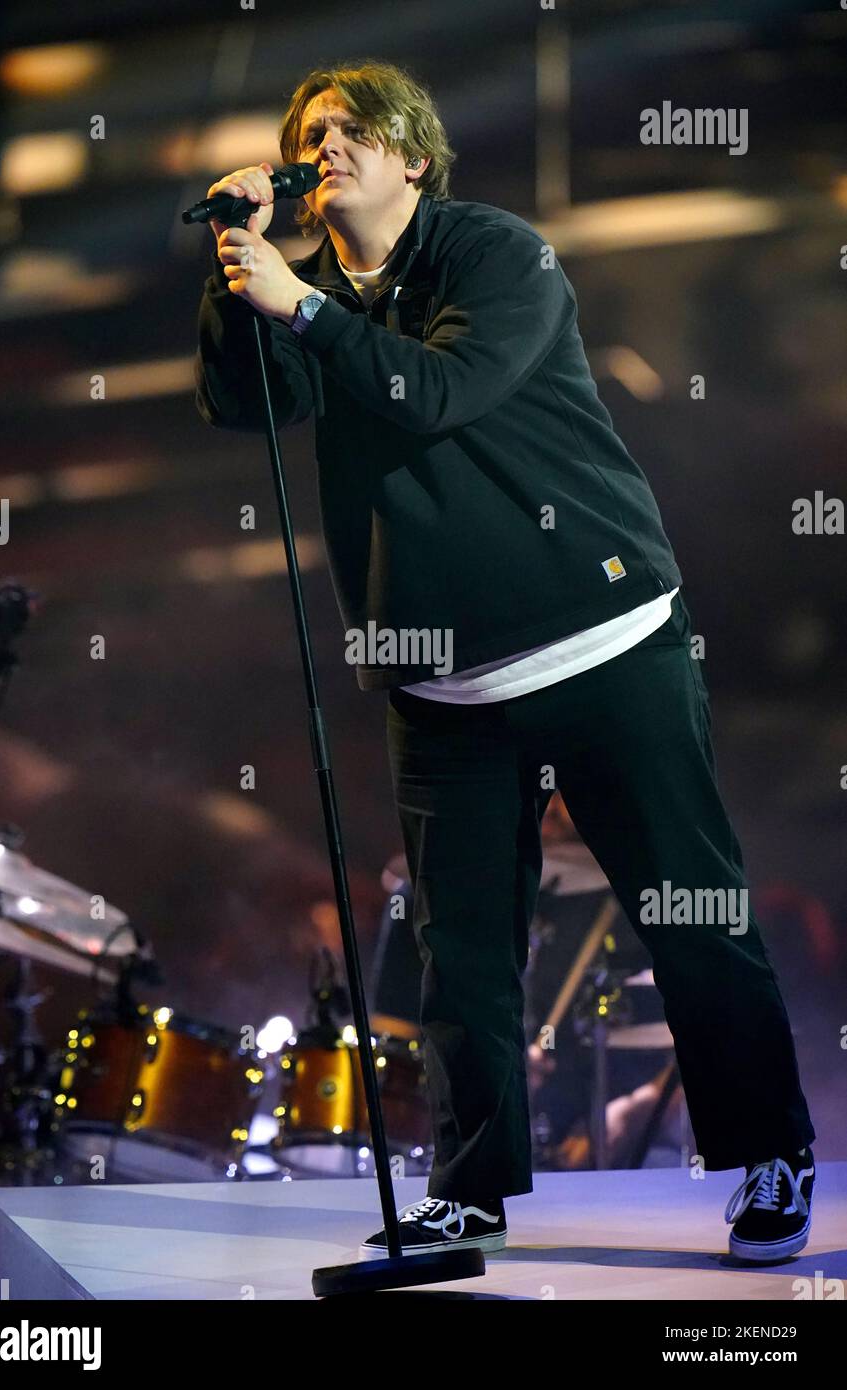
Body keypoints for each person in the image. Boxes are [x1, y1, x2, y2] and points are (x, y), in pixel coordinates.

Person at [193, 59, 816, 1264]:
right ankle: (470, 1189)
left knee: (686, 908)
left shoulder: (496, 254)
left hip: (603, 638)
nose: (327, 145)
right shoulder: (298, 288)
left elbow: (446, 390)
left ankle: (769, 1149)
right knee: (460, 944)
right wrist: (235, 271)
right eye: (310, 132)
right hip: (443, 679)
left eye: (355, 130)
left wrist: (304, 309)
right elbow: (242, 407)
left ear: (416, 157)